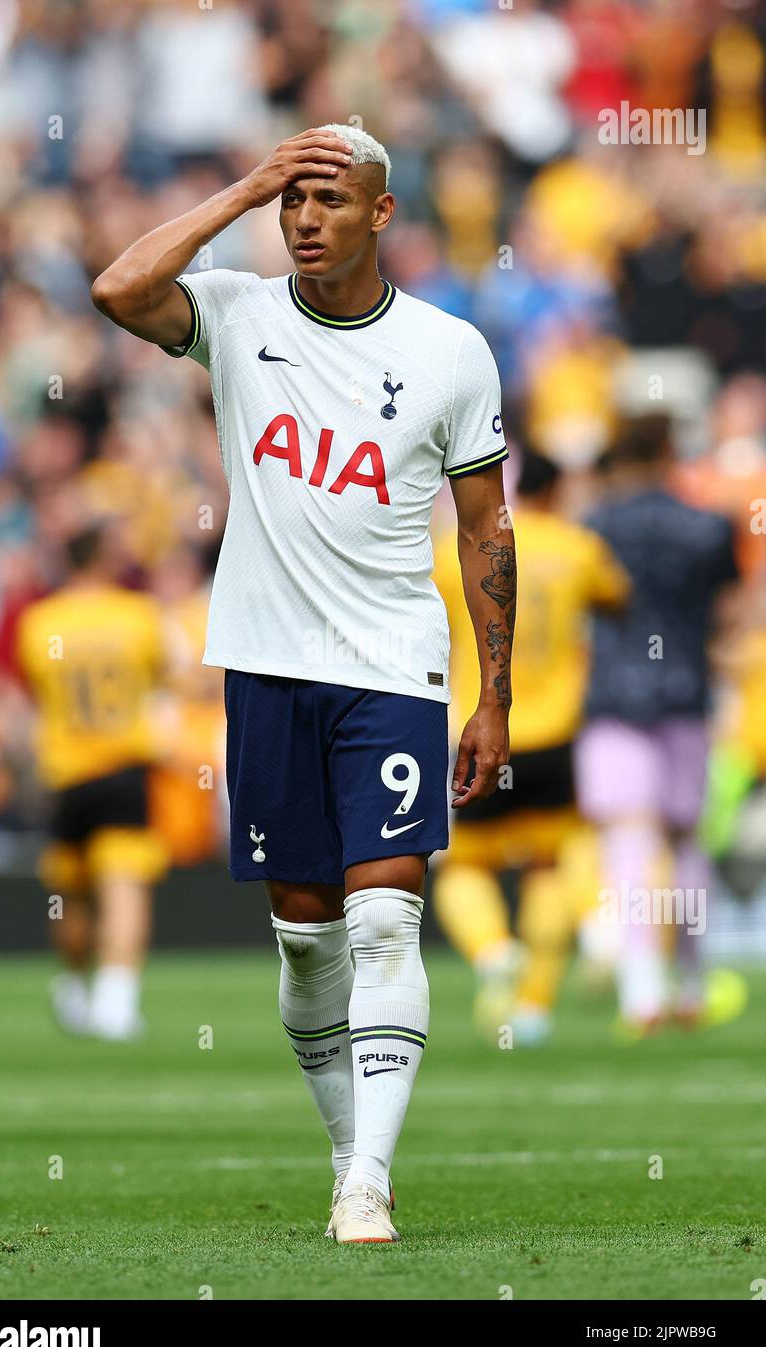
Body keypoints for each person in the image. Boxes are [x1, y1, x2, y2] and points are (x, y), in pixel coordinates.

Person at [91, 124, 515, 1243]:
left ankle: (365, 1177)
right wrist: (243, 185)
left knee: (384, 920)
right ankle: (348, 1143)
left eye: (329, 199)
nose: (304, 219)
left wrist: (494, 695)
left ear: (383, 213)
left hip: (390, 666)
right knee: (306, 932)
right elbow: (118, 286)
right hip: (268, 663)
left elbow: (485, 530)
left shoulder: (450, 350)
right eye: (293, 202)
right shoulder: (235, 313)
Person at [432, 451, 630, 1044]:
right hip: (554, 732)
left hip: (478, 725)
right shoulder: (577, 547)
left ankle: (494, 954)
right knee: (555, 861)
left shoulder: (452, 549)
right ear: (561, 486)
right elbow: (619, 599)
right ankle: (538, 1005)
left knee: (464, 865)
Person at [577, 414, 739, 1033]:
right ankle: (694, 983)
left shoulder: (594, 525)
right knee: (687, 840)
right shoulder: (706, 527)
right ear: (671, 450)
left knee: (627, 843)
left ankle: (641, 990)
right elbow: (726, 613)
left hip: (613, 700)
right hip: (685, 695)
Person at [17, 523, 168, 1041]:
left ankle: (76, 987)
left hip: (64, 772)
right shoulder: (138, 615)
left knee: (70, 894)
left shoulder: (40, 621)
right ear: (103, 558)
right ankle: (116, 1000)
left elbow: (37, 691)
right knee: (124, 884)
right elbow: (165, 675)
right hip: (123, 766)